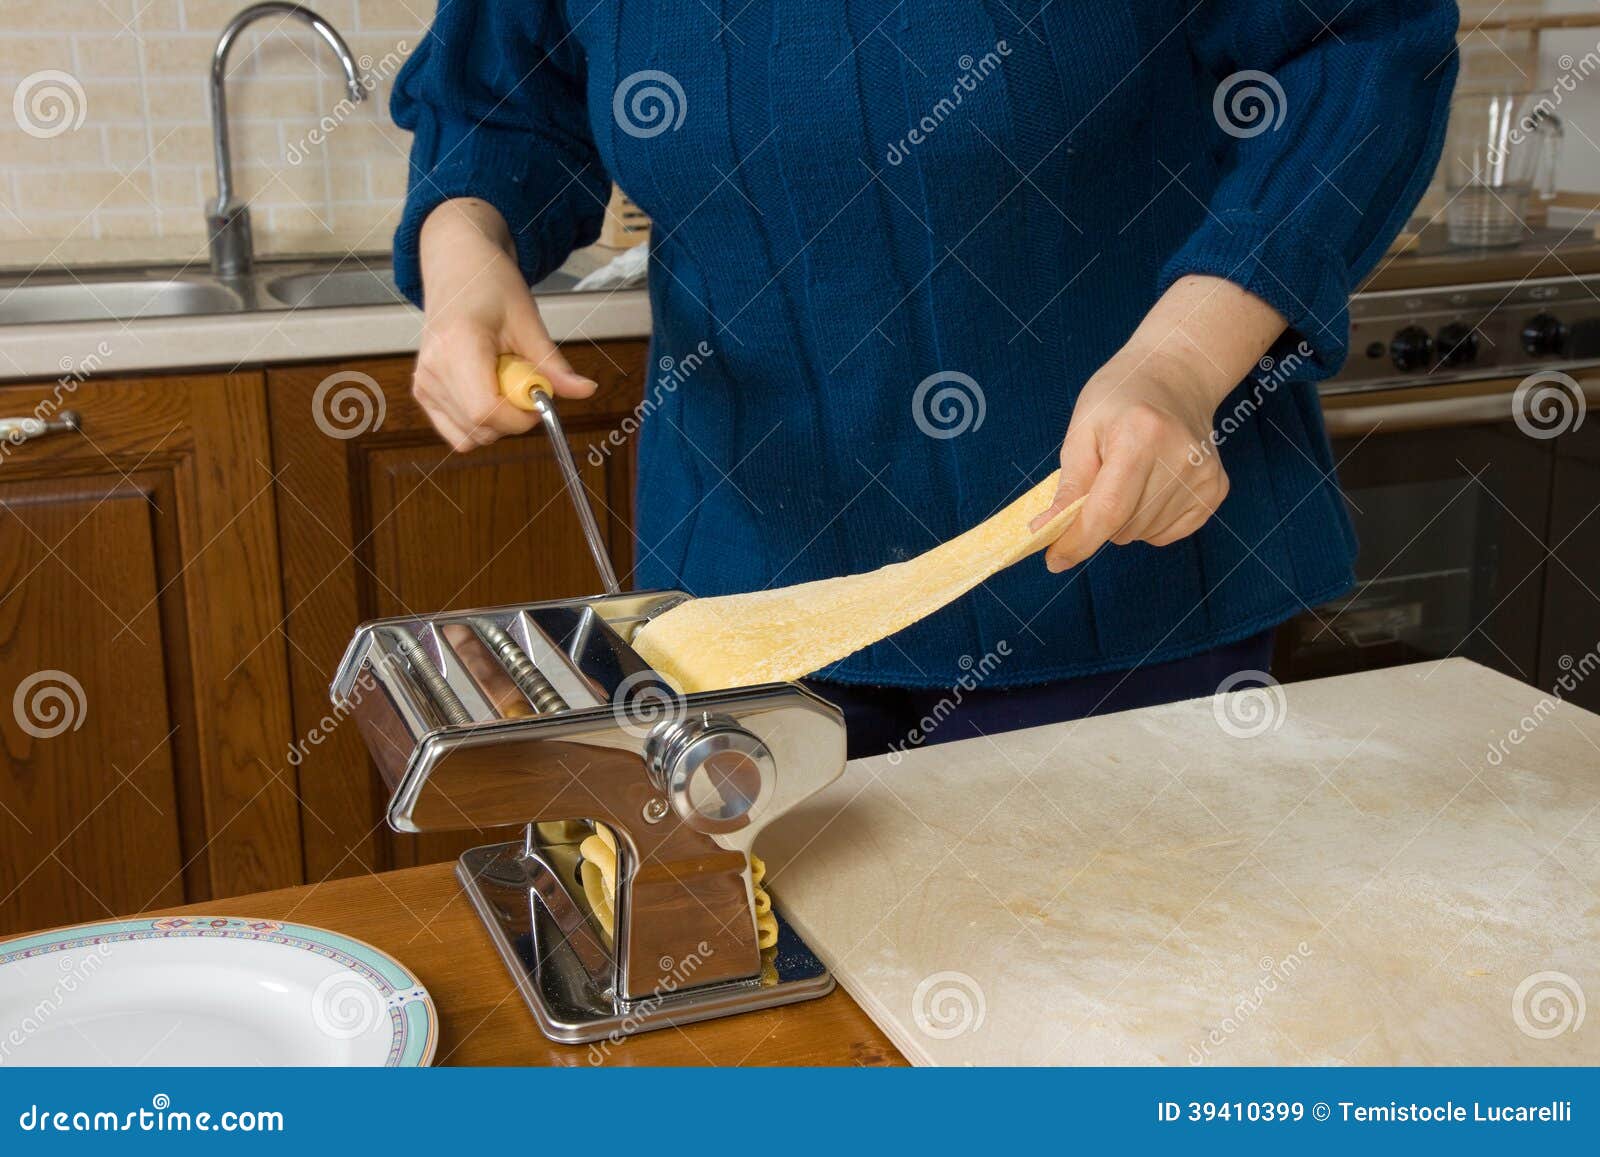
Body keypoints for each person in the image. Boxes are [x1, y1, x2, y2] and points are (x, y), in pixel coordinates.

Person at [391, 1, 1460, 758]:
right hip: (739, 604)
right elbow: (498, 102)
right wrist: (464, 251)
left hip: (1120, 576)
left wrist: (1181, 361)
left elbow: (1357, 46)